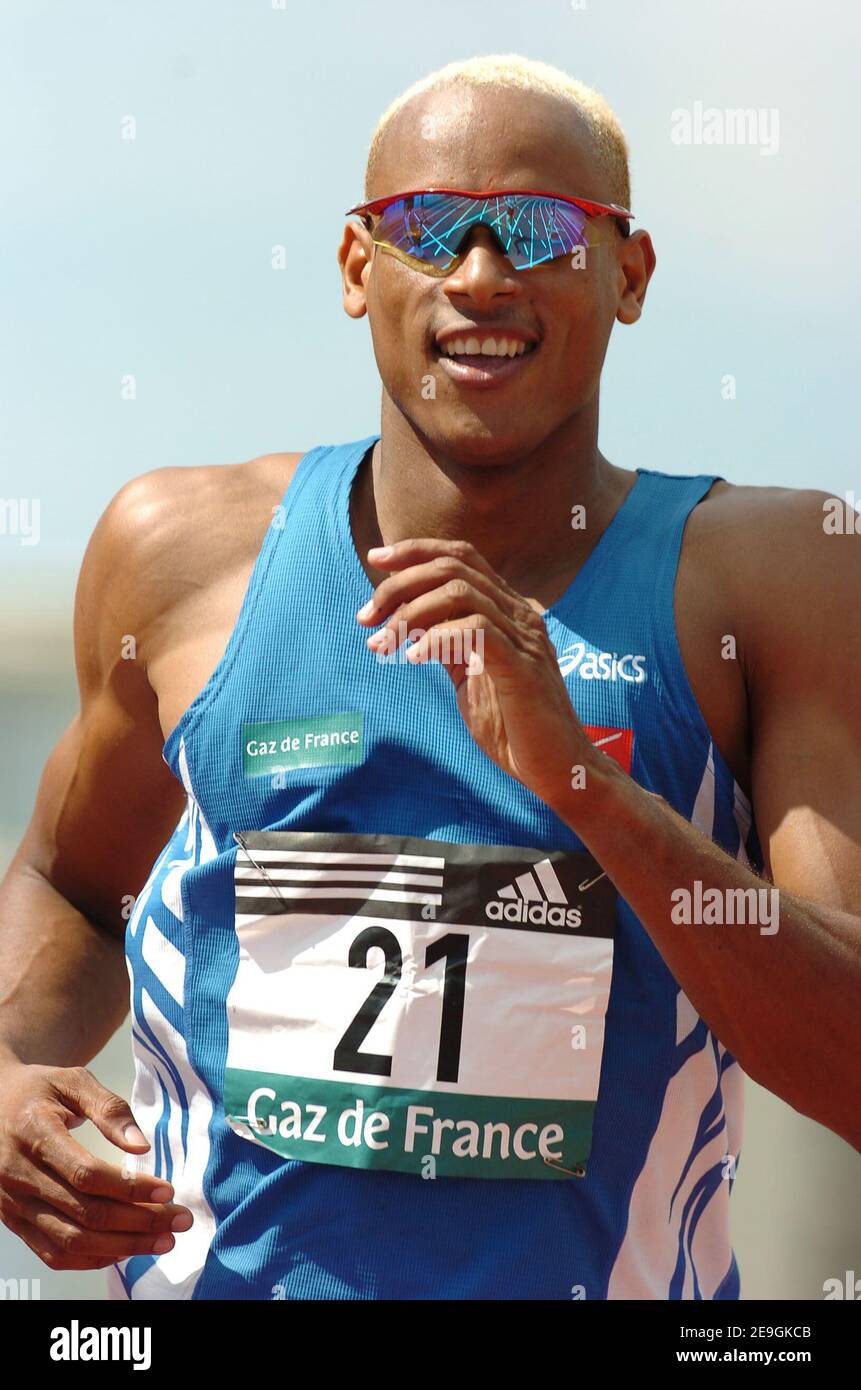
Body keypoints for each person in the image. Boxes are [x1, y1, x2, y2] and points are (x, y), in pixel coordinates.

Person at [0, 53, 858, 1302]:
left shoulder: (771, 582)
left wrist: (589, 789)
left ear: (630, 272)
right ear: (357, 268)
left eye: (537, 231)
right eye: (426, 228)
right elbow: (75, 885)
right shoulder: (179, 557)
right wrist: (9, 1072)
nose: (479, 276)